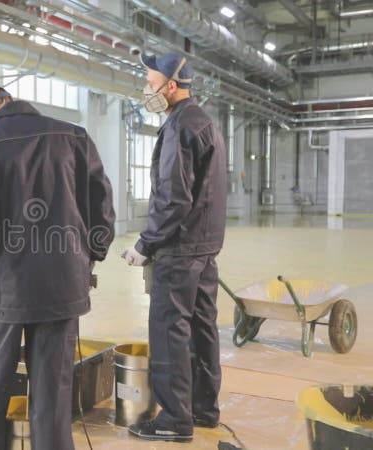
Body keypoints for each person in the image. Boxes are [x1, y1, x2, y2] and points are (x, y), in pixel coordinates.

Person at [0, 83, 115, 450]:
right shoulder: (74, 136)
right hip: (63, 284)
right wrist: (90, 254)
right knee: (53, 398)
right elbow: (101, 206)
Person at [123, 53, 227, 443]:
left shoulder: (180, 125)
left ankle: (174, 420)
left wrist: (146, 244)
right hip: (204, 247)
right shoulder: (206, 122)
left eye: (151, 82)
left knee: (170, 331)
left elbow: (173, 196)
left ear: (170, 85)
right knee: (202, 330)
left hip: (180, 250)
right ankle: (203, 408)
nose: (148, 89)